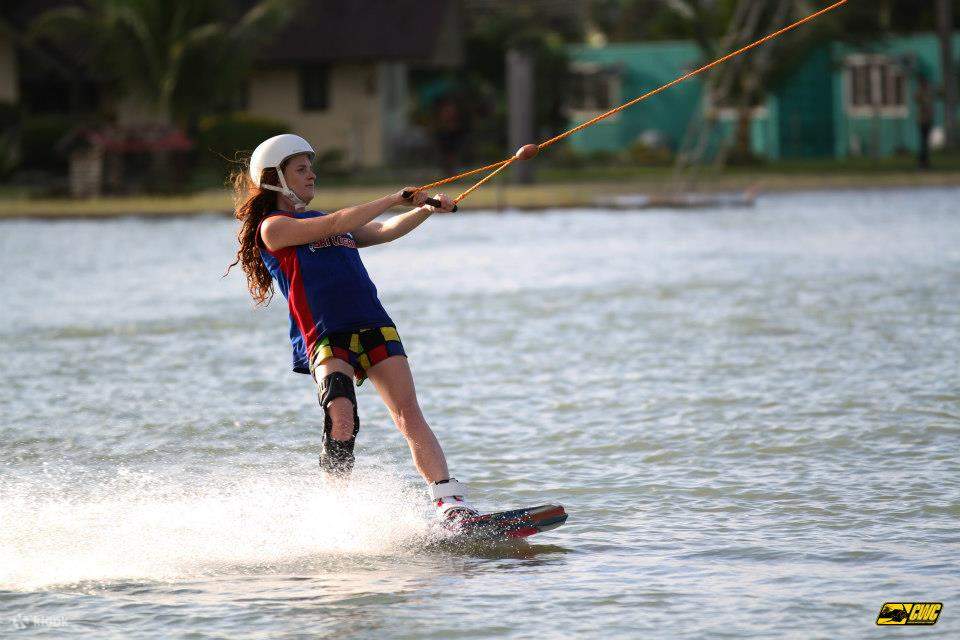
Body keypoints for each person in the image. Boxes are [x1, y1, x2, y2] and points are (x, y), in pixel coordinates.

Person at [227, 134, 478, 523]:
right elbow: (341, 220)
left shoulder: (322, 222)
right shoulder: (274, 228)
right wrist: (392, 197)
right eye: (301, 169)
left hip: (373, 322)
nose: (312, 176)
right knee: (341, 416)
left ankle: (450, 503)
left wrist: (425, 209)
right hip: (326, 335)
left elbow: (380, 231)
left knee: (408, 413)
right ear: (275, 177)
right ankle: (338, 511)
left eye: (311, 168)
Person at [915, 75, 934, 170]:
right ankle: (922, 162)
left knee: (926, 143)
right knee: (923, 143)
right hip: (922, 121)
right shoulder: (921, 93)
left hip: (928, 121)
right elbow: (917, 98)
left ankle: (926, 162)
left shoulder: (928, 93)